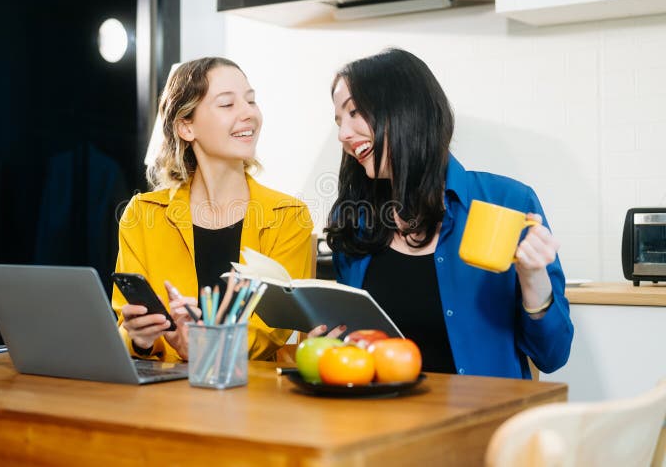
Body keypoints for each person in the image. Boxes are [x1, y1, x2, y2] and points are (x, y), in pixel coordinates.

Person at [325, 48, 573, 379]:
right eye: (339, 121)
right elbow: (359, 345)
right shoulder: (354, 218)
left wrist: (533, 279)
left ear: (406, 111)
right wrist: (333, 344)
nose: (343, 134)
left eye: (355, 112)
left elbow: (553, 355)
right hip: (379, 420)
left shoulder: (506, 201)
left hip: (479, 422)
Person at [113, 57, 313, 362]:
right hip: (163, 402)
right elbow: (124, 324)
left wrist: (207, 344)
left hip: (251, 400)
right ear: (185, 126)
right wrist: (140, 339)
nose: (249, 114)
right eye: (227, 104)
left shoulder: (288, 215)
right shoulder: (142, 215)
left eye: (251, 100)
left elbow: (273, 329)